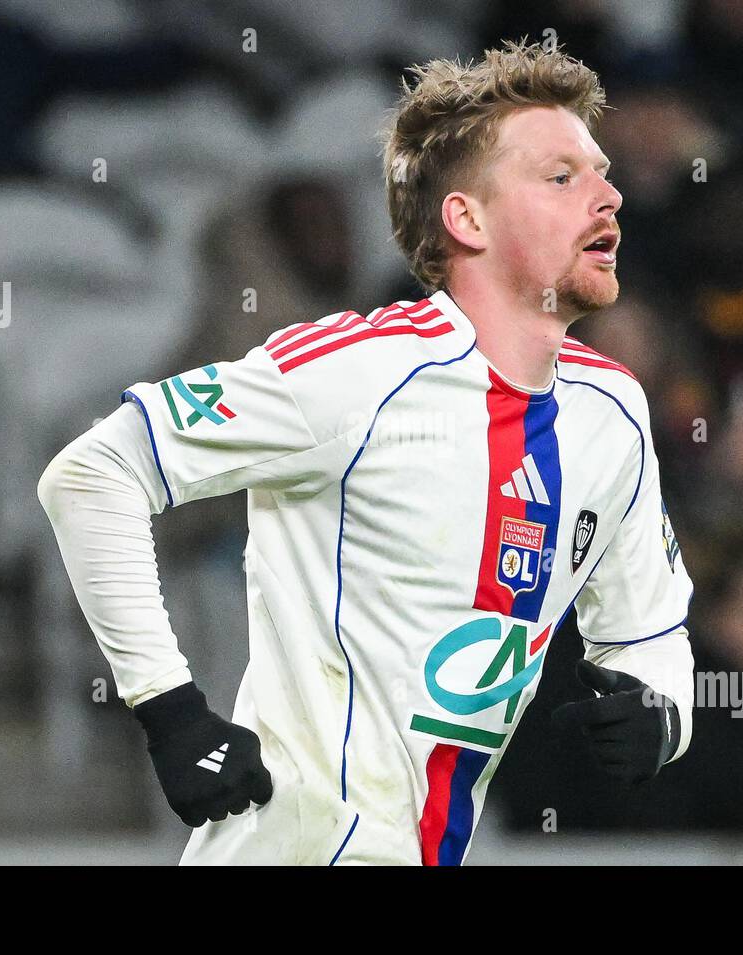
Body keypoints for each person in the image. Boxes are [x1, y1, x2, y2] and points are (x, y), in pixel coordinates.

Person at [37, 40, 695, 865]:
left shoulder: (613, 412)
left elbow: (647, 633)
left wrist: (661, 714)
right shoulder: (353, 371)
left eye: (599, 172)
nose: (608, 197)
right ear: (469, 219)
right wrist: (170, 709)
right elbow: (93, 472)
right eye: (561, 178)